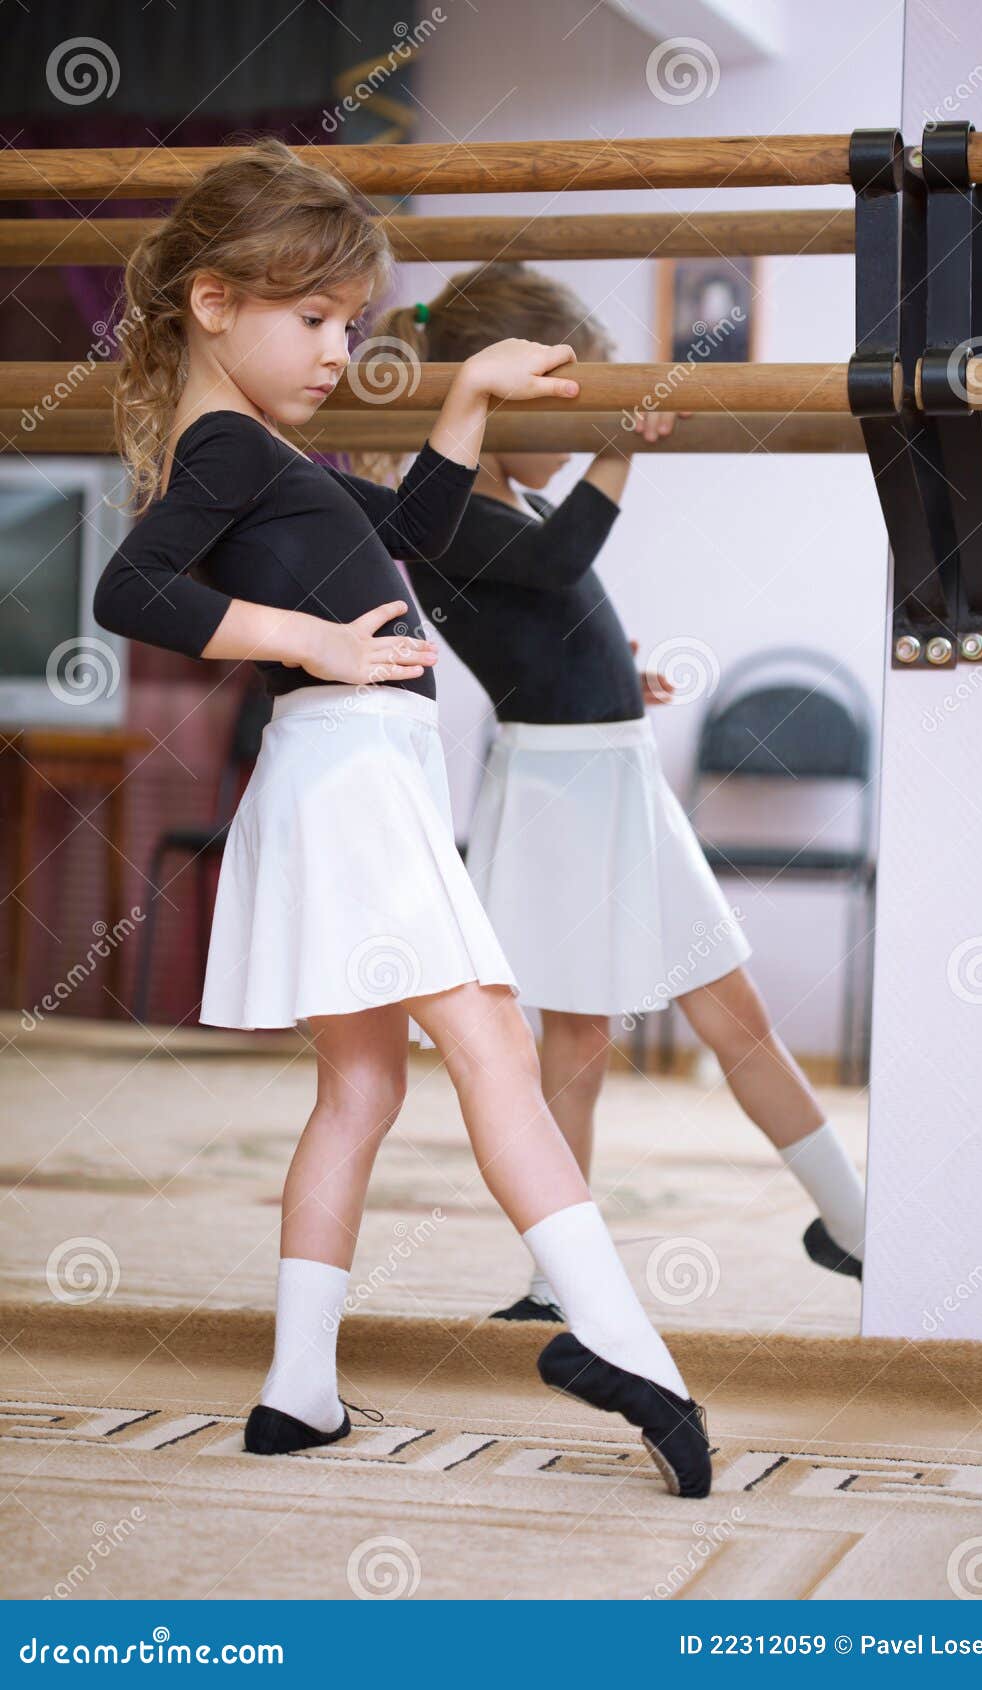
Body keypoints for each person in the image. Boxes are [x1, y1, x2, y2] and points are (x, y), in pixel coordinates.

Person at [91, 141, 710, 1497]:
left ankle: (296, 1389)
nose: (338, 350)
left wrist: (469, 397)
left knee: (362, 1086)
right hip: (352, 772)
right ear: (213, 304)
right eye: (312, 319)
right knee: (491, 1040)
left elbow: (419, 534)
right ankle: (621, 1343)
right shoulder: (223, 448)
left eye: (350, 322)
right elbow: (129, 590)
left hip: (351, 772)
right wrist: (307, 637)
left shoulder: (261, 451)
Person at [371, 262, 866, 1323]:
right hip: (561, 794)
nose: (572, 436)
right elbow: (556, 566)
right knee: (577, 1045)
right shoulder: (439, 510)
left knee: (733, 1013)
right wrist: (620, 444)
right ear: (495, 400)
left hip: (616, 772)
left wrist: (615, 675)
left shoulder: (516, 495)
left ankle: (855, 1223)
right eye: (564, 412)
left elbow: (542, 620)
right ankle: (559, 1277)